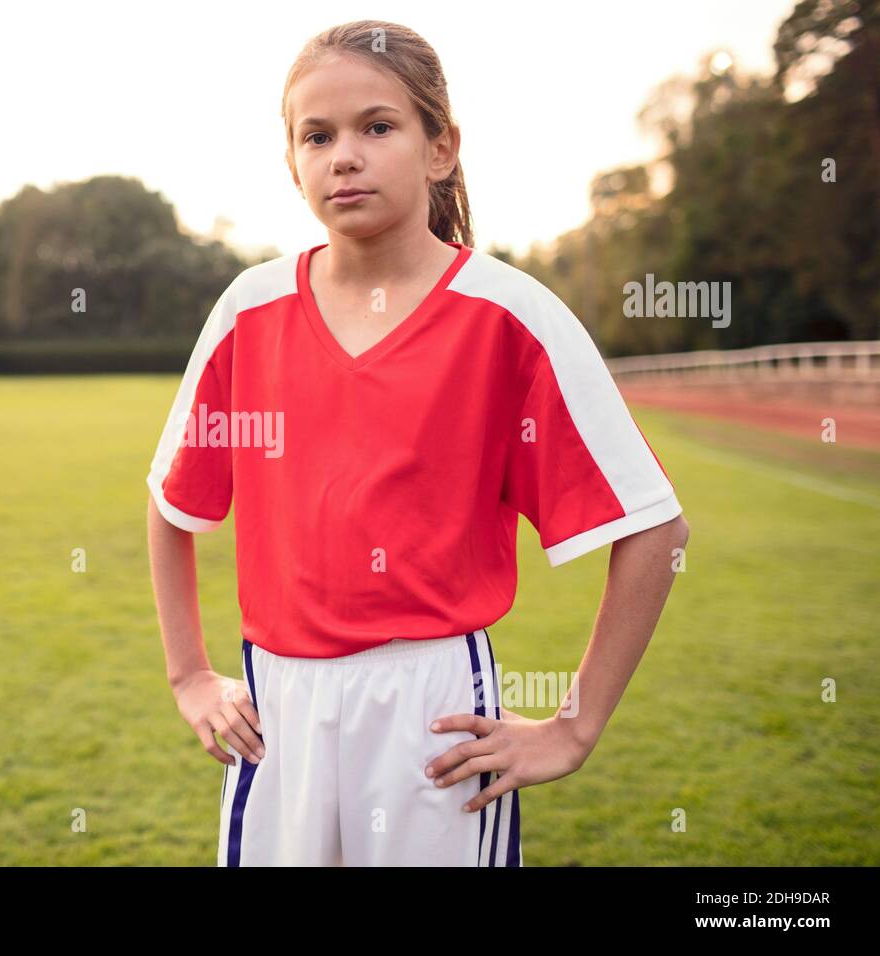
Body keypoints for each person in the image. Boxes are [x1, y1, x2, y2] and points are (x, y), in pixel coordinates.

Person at [146, 19, 689, 866]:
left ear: (442, 149)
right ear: (292, 164)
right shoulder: (247, 314)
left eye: (378, 126)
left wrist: (573, 728)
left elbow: (654, 526)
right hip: (275, 713)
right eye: (316, 136)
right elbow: (173, 501)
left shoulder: (511, 317)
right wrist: (188, 676)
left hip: (433, 715)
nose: (344, 156)